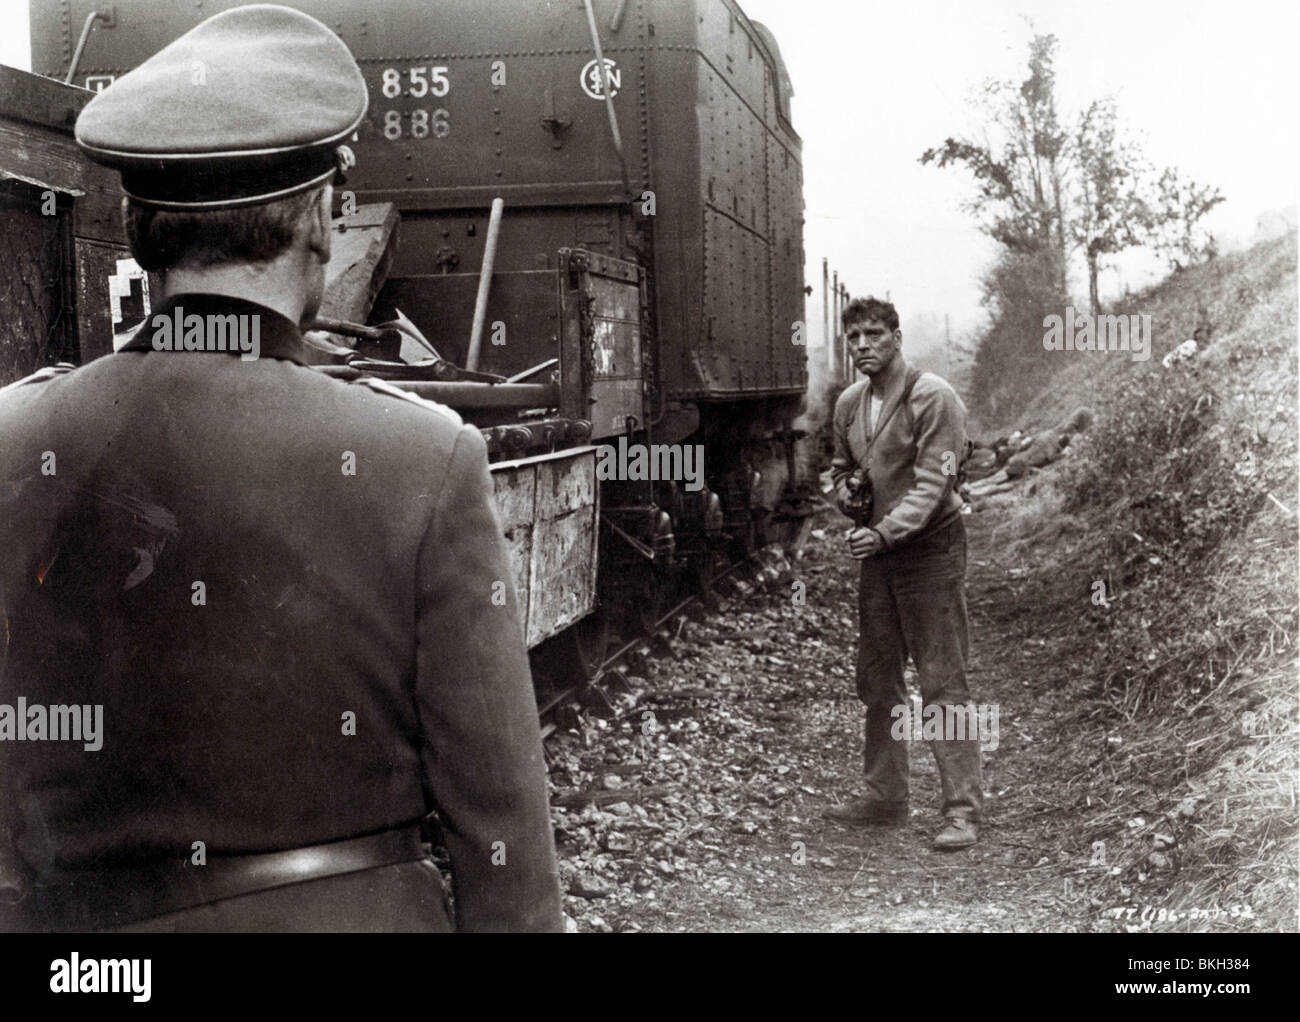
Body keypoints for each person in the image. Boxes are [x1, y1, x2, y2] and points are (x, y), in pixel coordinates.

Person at [0, 4, 562, 931]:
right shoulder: (425, 459)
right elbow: (502, 840)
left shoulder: (19, 439)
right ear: (317, 220)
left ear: (141, 224)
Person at [824, 296, 984, 850]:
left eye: (873, 335)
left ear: (896, 337)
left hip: (930, 554)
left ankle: (962, 809)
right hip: (880, 559)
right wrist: (847, 493)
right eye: (853, 338)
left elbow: (933, 484)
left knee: (943, 682)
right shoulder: (849, 403)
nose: (862, 346)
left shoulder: (933, 396)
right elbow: (840, 469)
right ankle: (885, 794)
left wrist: (885, 530)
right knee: (877, 678)